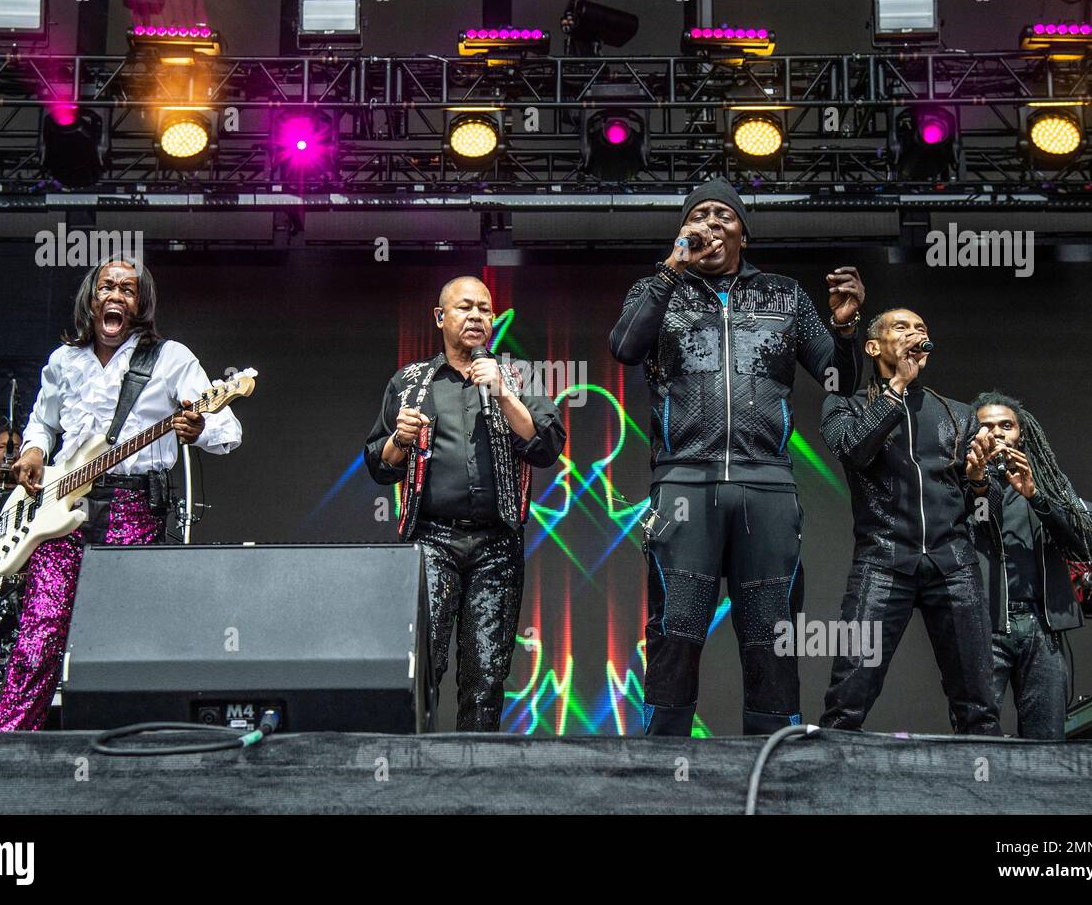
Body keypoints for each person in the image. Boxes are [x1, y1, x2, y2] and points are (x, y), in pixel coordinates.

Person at [609, 176, 866, 735]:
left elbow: (839, 379)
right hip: (684, 483)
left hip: (767, 485)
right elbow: (625, 346)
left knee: (771, 636)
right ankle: (662, 769)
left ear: (743, 233)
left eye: (723, 215)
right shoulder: (658, 287)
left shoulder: (784, 295)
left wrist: (845, 331)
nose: (710, 224)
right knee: (675, 632)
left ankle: (774, 771)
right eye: (698, 215)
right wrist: (670, 268)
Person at [0, 256, 242, 731]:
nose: (116, 296)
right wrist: (33, 450)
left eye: (128, 290)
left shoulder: (170, 358)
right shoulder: (64, 361)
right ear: (92, 297)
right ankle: (7, 746)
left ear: (140, 304)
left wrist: (199, 424)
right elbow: (43, 422)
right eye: (108, 287)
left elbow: (228, 431)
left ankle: (125, 748)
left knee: (127, 640)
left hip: (133, 508)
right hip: (59, 508)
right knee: (38, 635)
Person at [363, 276, 566, 732]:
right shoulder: (410, 382)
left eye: (485, 309)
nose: (477, 316)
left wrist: (505, 394)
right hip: (432, 540)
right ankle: (416, 772)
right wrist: (400, 439)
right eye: (465, 308)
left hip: (498, 545)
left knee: (486, 678)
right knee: (423, 669)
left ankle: (477, 781)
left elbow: (548, 445)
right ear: (440, 317)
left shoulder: (513, 376)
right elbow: (380, 464)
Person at [819, 308, 1001, 735]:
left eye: (922, 327)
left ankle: (987, 791)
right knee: (849, 695)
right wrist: (896, 387)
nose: (916, 333)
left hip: (953, 564)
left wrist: (977, 482)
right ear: (873, 346)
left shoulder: (957, 413)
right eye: (902, 328)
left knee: (978, 701)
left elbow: (986, 506)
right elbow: (854, 451)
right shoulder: (843, 405)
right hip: (882, 561)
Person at [970, 391, 1092, 739]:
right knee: (976, 738)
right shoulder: (961, 482)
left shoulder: (1048, 483)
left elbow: (1082, 545)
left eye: (1006, 425)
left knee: (1047, 738)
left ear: (1021, 434)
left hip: (1042, 625)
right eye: (987, 426)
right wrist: (978, 484)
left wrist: (1036, 497)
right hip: (985, 625)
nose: (997, 433)